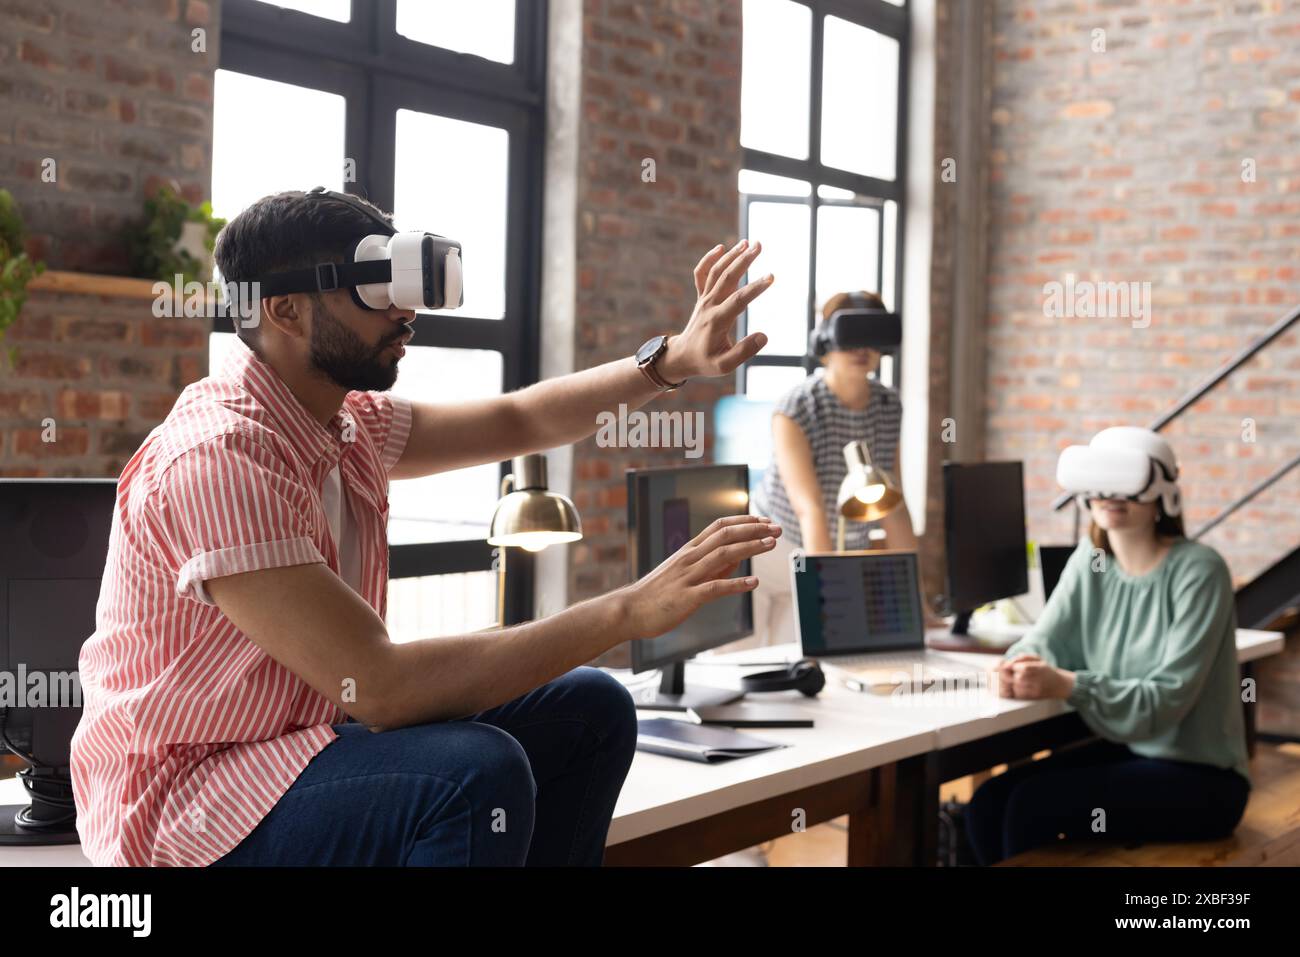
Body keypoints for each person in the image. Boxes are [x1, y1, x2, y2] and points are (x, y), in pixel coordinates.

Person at [70, 189, 780, 866]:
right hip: (187, 803)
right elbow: (380, 685)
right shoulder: (219, 455)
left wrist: (670, 362)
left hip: (297, 748)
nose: (405, 315)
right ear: (285, 311)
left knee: (592, 707)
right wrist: (628, 609)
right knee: (469, 776)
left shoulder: (344, 423)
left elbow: (520, 419)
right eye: (376, 292)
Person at [966, 427, 1250, 865]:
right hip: (1133, 749)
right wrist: (1013, 666)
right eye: (1101, 482)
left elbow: (1165, 701)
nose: (1111, 496)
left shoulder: (1199, 570)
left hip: (1204, 778)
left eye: (1127, 483)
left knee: (1030, 806)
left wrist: (1067, 685)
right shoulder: (1091, 559)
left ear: (1163, 494)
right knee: (988, 801)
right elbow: (1046, 639)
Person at [750, 290, 927, 646]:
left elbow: (893, 504)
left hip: (832, 548)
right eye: (851, 339)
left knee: (804, 668)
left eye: (872, 339)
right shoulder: (797, 408)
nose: (862, 350)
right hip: (771, 551)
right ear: (825, 342)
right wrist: (828, 604)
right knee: (746, 666)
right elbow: (809, 509)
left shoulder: (888, 404)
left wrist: (916, 604)